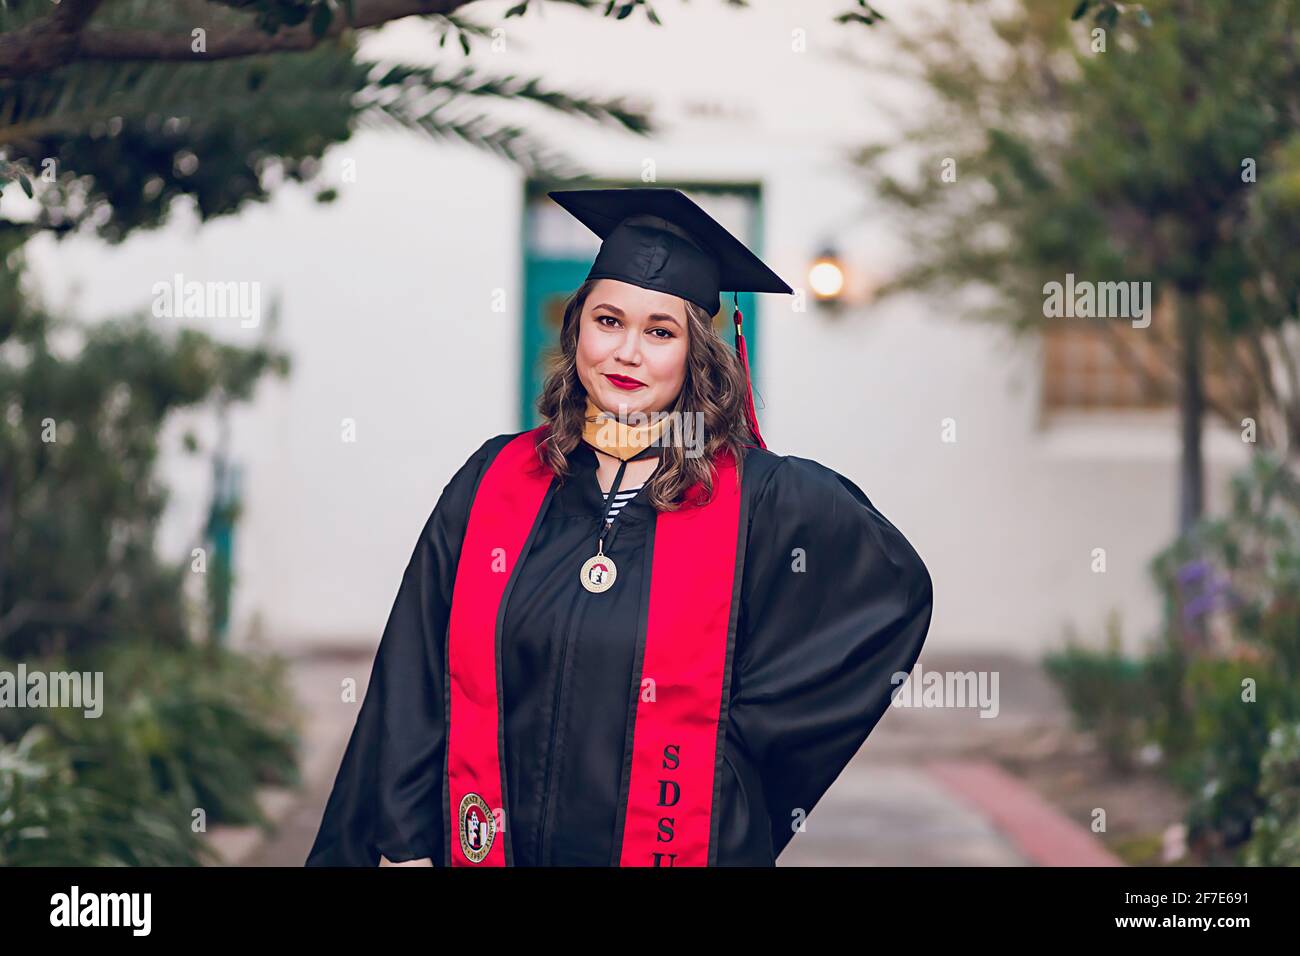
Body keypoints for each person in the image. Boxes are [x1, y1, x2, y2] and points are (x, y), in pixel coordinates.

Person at [305, 187, 934, 867]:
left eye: (660, 332)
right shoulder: (494, 481)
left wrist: (736, 744)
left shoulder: (759, 498)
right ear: (577, 329)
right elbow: (414, 670)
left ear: (696, 354)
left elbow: (892, 593)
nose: (627, 352)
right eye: (609, 321)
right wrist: (402, 843)